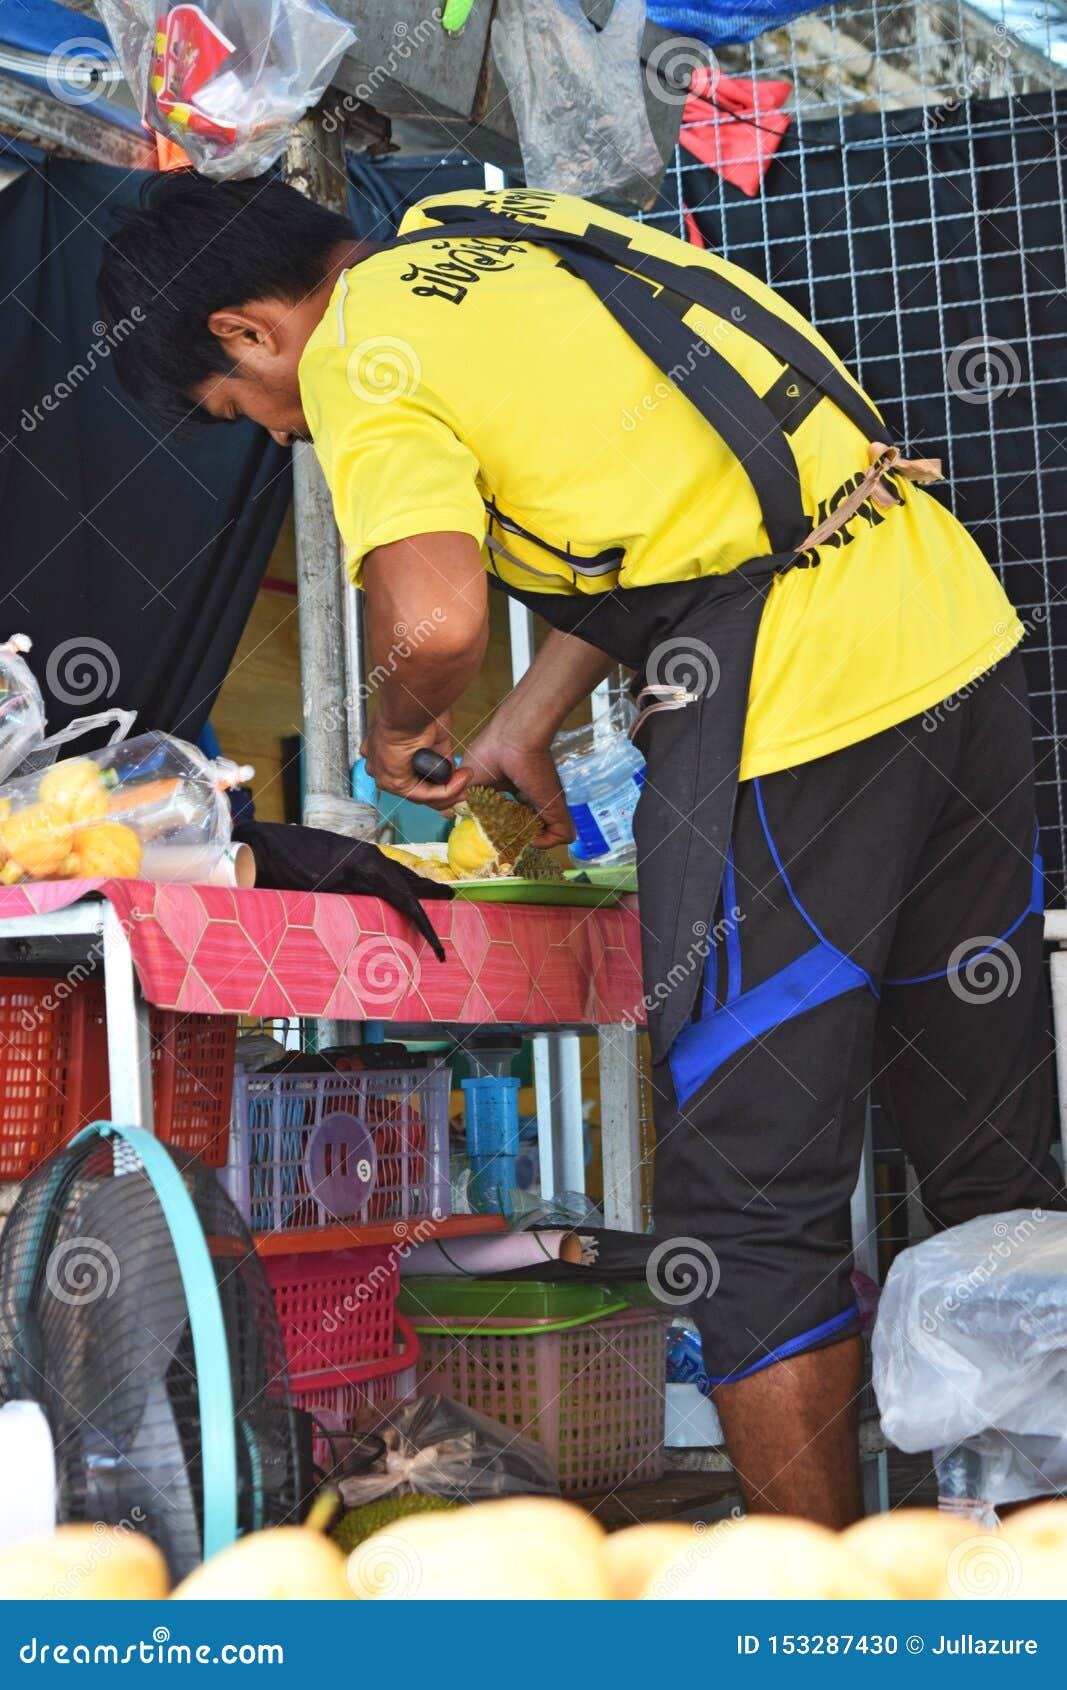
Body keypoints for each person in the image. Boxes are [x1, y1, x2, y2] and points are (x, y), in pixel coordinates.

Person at [98, 172, 1064, 1526]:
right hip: (947, 633)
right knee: (990, 1158)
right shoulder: (499, 239)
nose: (277, 437)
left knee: (745, 1204)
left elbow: (431, 622)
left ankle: (819, 1603)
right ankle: (1039, 1562)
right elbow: (692, 512)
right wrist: (526, 721)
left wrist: (396, 720)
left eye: (242, 415)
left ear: (252, 332)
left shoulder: (362, 355)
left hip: (795, 698)